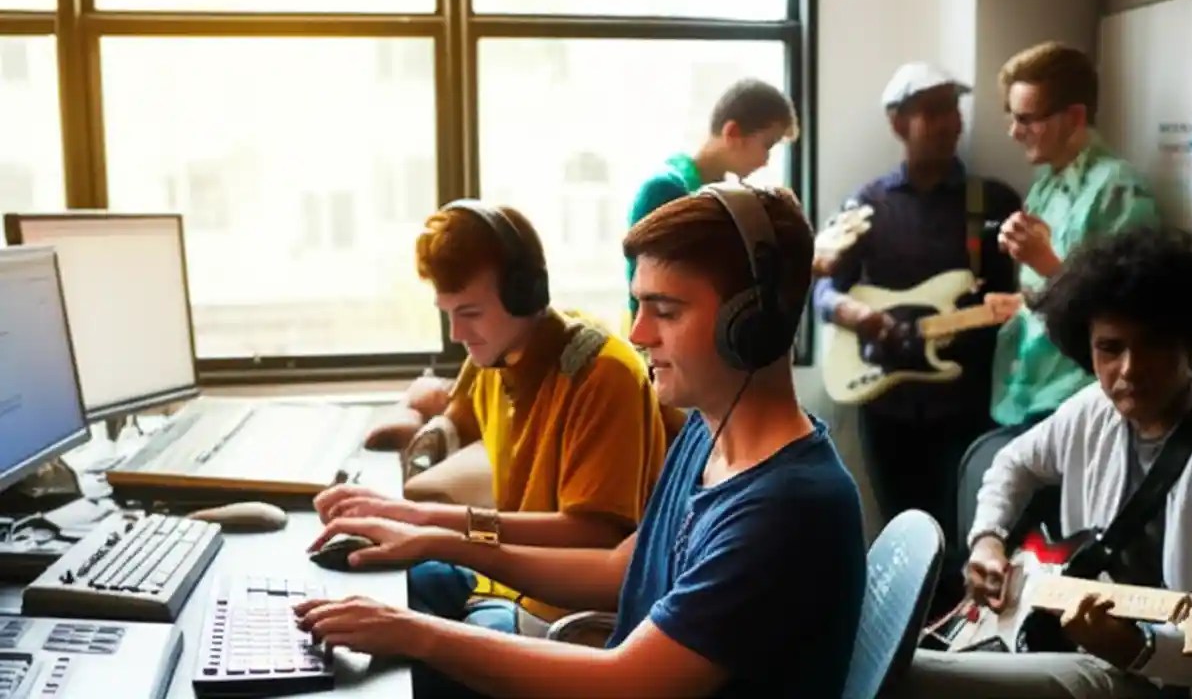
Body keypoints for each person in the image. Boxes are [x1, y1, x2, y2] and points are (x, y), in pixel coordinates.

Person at [297, 183, 866, 698]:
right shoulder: (708, 432)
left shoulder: (787, 507)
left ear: (752, 325)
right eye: (638, 305)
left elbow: (628, 680)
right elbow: (621, 568)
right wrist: (441, 540)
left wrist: (415, 633)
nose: (638, 333)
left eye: (666, 311)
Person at [898, 227, 1192, 699]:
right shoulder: (1092, 409)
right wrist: (988, 539)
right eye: (1110, 348)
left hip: (1163, 685)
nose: (1129, 369)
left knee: (910, 675)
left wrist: (1139, 649)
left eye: (1154, 343)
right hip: (1074, 649)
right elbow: (1012, 463)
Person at [321, 199, 672, 636]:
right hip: (499, 579)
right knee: (366, 580)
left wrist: (425, 518)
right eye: (448, 314)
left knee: (416, 645)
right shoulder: (494, 359)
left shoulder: (601, 374)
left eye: (470, 314)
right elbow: (451, 418)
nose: (457, 334)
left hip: (555, 605)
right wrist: (395, 503)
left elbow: (594, 534)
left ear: (526, 294)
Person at [812, 62, 1020, 607]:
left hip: (970, 404)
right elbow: (824, 291)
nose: (948, 122)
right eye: (931, 110)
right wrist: (860, 316)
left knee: (965, 536)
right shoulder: (867, 204)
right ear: (898, 123)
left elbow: (1019, 301)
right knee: (903, 535)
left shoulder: (992, 202)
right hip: (888, 402)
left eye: (952, 108)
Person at [990, 41, 1159, 435]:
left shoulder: (1119, 189)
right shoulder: (1045, 185)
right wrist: (1021, 303)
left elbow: (1126, 310)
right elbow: (1054, 291)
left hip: (1078, 401)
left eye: (1027, 119)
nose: (1015, 132)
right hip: (1029, 391)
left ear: (1075, 117)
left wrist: (1044, 262)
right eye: (1011, 117)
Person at [625, 77, 798, 318]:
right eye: (767, 145)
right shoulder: (666, 191)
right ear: (733, 133)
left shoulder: (724, 198)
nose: (765, 161)